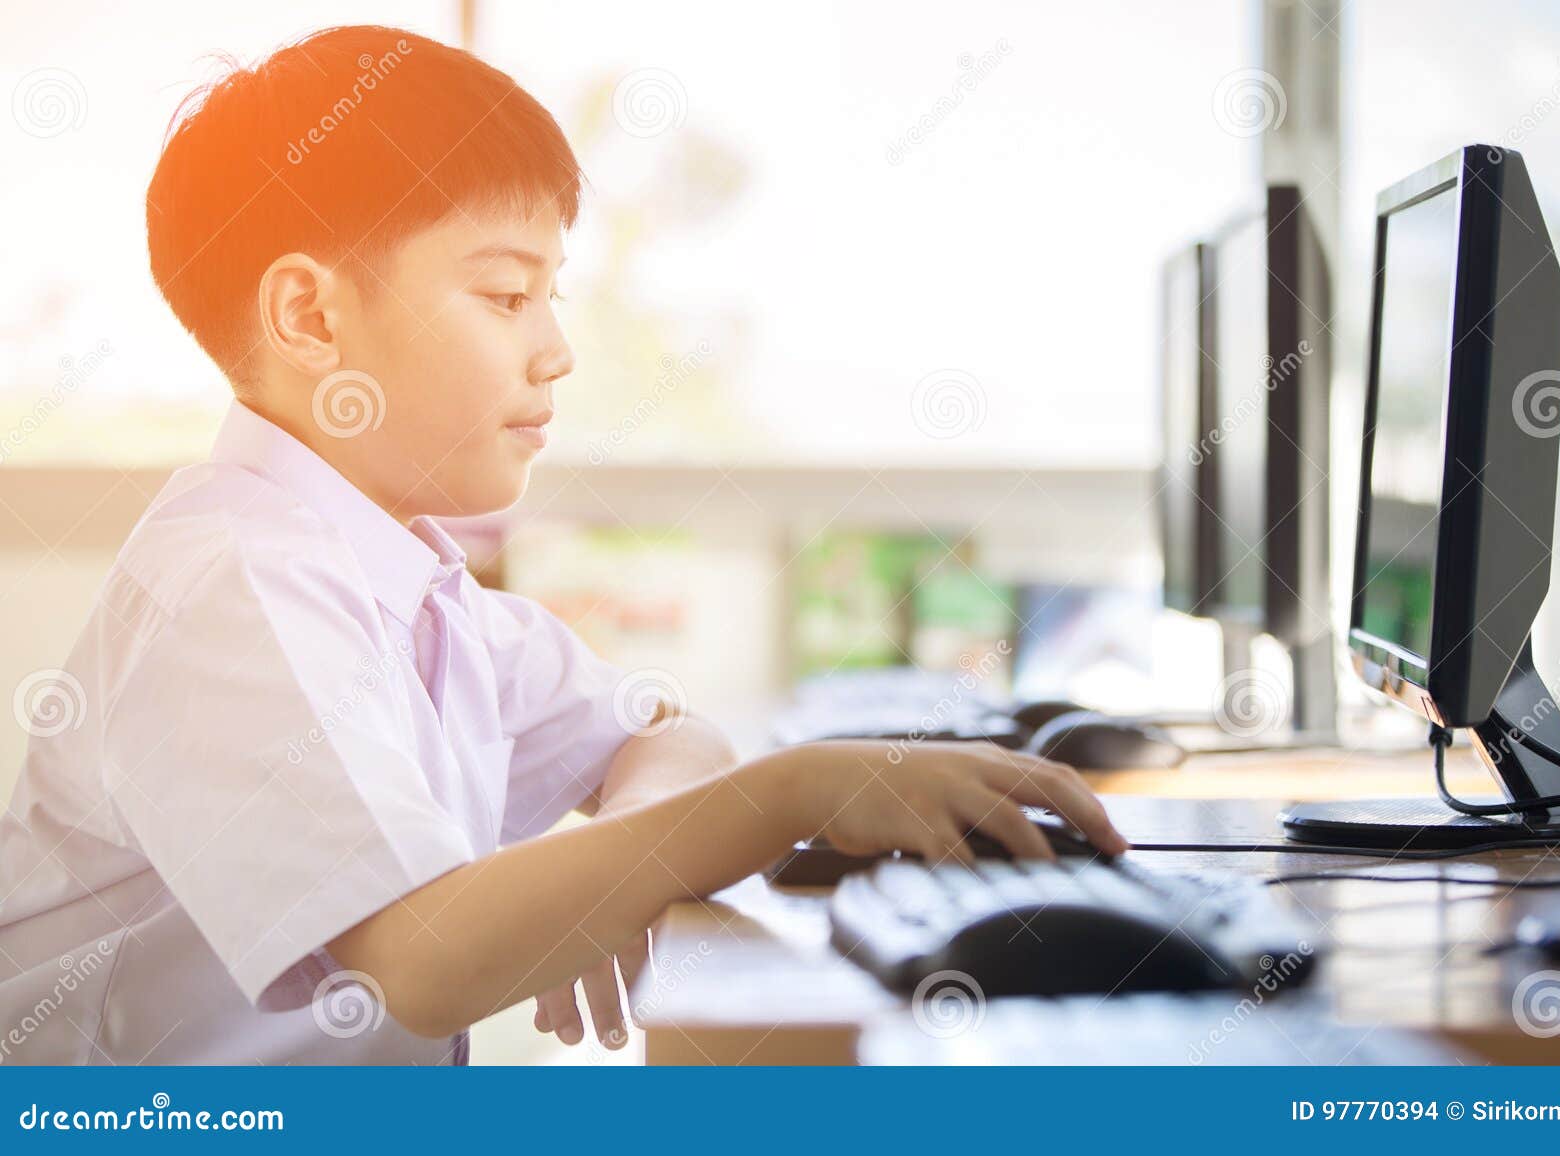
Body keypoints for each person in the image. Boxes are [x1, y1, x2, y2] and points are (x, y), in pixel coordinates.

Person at [0, 24, 1126, 1065]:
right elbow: (422, 961)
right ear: (308, 318)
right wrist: (796, 794)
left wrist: (622, 869)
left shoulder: (418, 590)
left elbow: (667, 733)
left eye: (554, 293)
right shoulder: (232, 581)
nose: (556, 352)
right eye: (504, 294)